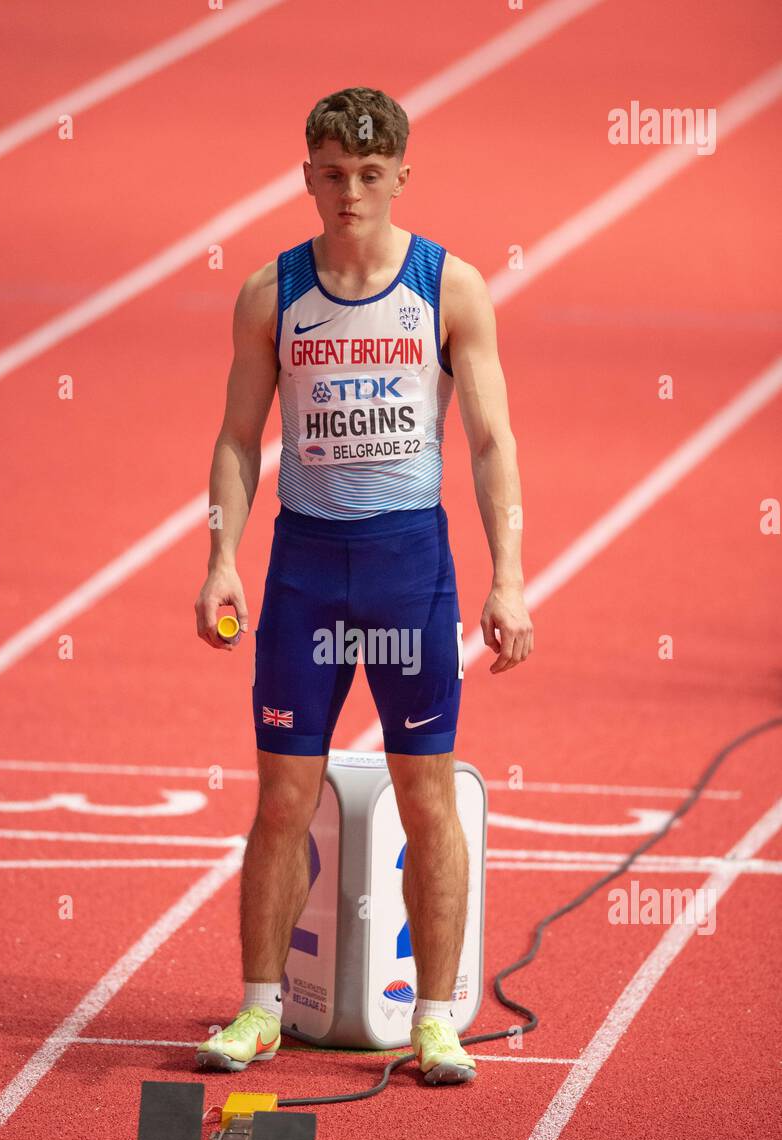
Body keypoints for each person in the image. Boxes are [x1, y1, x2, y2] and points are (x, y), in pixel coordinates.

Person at [194, 87, 532, 1085]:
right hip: (305, 569)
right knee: (281, 800)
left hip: (405, 570)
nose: (351, 194)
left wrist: (508, 578)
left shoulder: (449, 288)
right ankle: (258, 1011)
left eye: (370, 177)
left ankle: (433, 1018)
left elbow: (488, 441)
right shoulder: (269, 292)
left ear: (400, 178)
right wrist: (221, 554)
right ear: (307, 176)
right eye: (333, 176)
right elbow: (233, 438)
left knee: (426, 798)